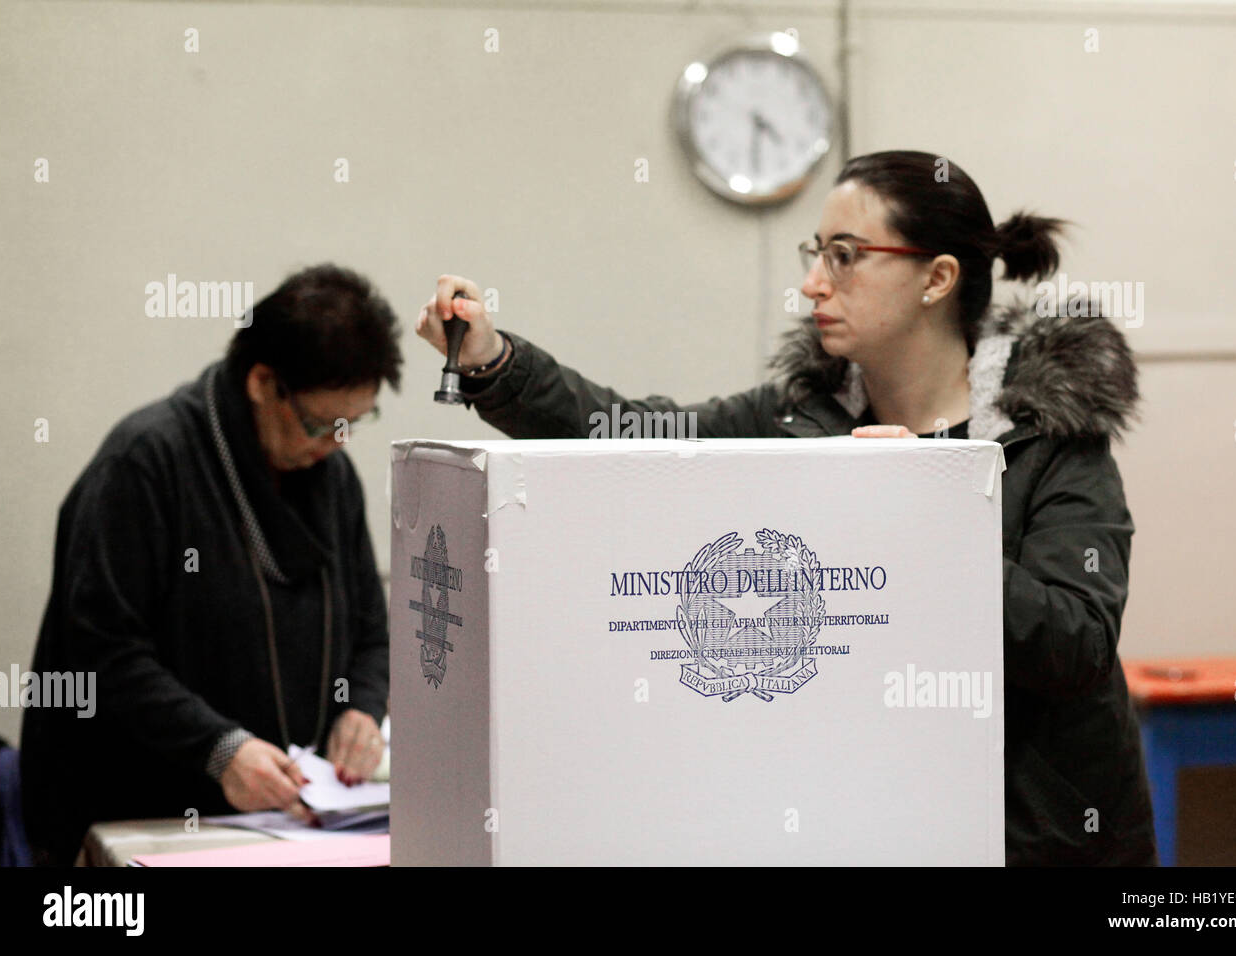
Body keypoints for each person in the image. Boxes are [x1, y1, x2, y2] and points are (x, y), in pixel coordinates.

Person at [415, 150, 1157, 866]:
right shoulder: (801, 412)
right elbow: (630, 430)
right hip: (859, 825)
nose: (811, 284)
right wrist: (495, 363)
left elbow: (1076, 644)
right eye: (816, 251)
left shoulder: (1051, 434)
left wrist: (929, 510)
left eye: (844, 255)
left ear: (936, 278)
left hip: (1035, 840)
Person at [21, 264, 400, 866]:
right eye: (319, 423)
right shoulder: (147, 463)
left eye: (352, 424)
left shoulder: (331, 476)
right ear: (261, 382)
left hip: (292, 821)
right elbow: (104, 652)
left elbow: (371, 628)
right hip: (147, 811)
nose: (335, 443)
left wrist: (363, 704)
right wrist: (219, 749)